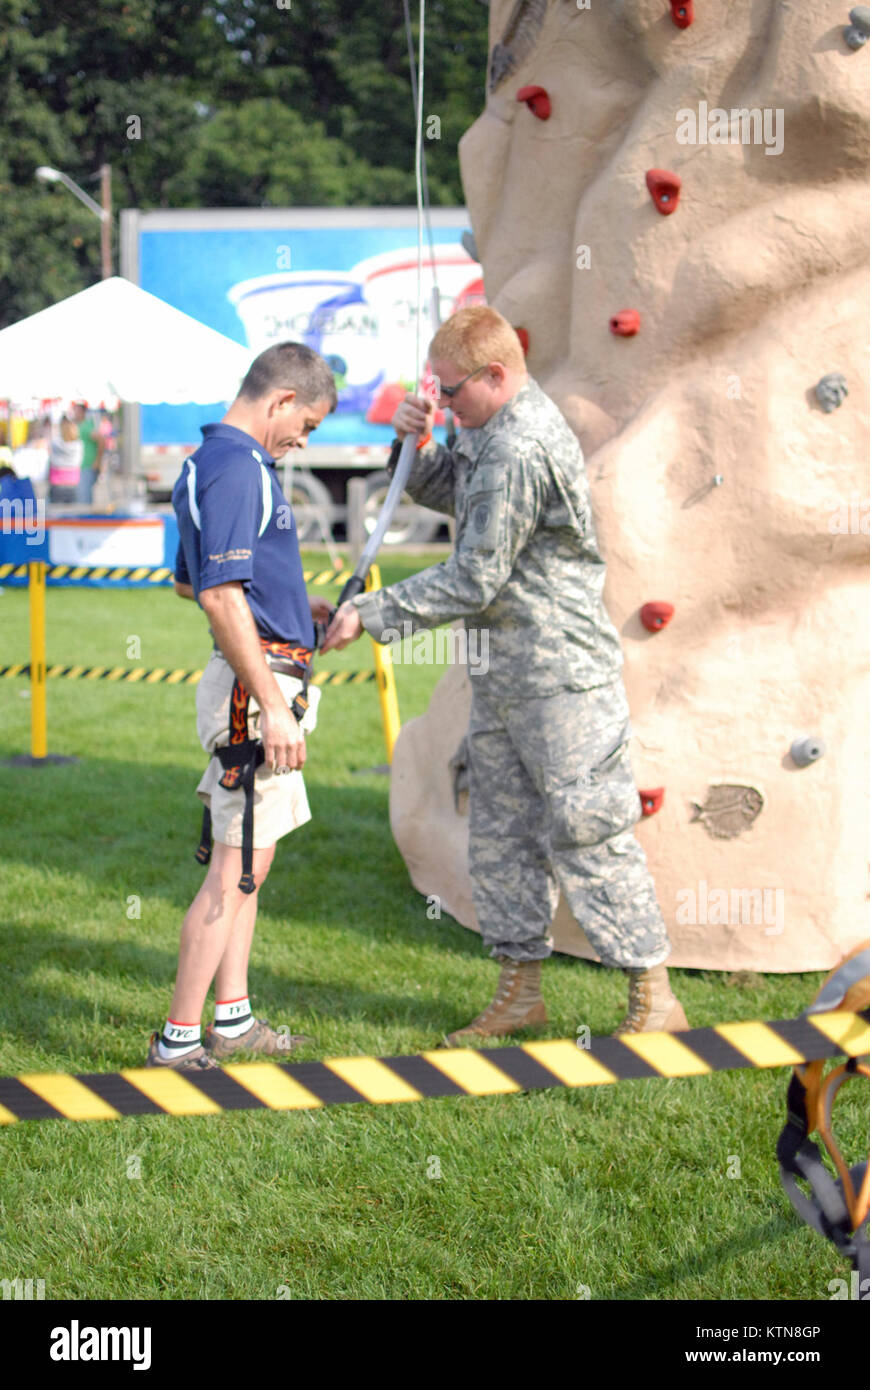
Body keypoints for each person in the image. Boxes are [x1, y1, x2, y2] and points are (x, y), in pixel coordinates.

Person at [322, 305, 688, 1042]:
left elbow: (475, 577)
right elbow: (454, 489)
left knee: (590, 834)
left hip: (560, 684)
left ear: (497, 375)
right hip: (508, 679)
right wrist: (411, 445)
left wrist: (372, 613)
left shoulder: (520, 444)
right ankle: (520, 991)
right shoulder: (489, 428)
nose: (445, 402)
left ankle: (656, 1001)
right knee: (503, 837)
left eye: (452, 392)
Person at [147, 341, 337, 1070]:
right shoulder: (239, 468)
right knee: (231, 869)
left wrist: (289, 603)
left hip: (257, 677)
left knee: (251, 863)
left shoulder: (211, 462)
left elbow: (192, 583)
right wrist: (274, 705)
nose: (303, 440)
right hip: (256, 694)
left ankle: (232, 1020)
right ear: (282, 399)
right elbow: (221, 597)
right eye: (308, 425)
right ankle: (178, 1040)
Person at [72, 403, 104, 505]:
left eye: (76, 411)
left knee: (84, 501)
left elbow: (101, 440)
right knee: (81, 499)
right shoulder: (80, 426)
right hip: (81, 466)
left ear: (82, 412)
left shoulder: (86, 426)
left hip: (87, 465)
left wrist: (98, 461)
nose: (74, 414)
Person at [48, 416, 83, 503]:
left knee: (55, 513)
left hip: (57, 483)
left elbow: (51, 457)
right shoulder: (78, 446)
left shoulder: (55, 444)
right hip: (72, 482)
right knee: (71, 513)